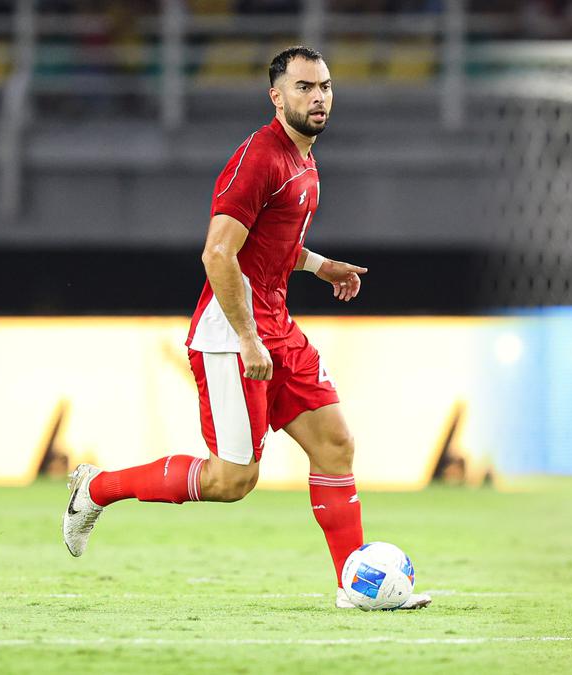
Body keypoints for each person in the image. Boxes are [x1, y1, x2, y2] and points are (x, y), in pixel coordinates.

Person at [62, 45, 430, 611]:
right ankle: (95, 488)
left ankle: (354, 588)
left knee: (335, 444)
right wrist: (248, 338)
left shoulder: (303, 161)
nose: (319, 97)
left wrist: (317, 264)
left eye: (325, 86)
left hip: (277, 326)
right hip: (231, 335)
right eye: (304, 87)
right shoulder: (260, 157)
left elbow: (271, 243)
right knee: (233, 480)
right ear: (276, 97)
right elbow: (218, 254)